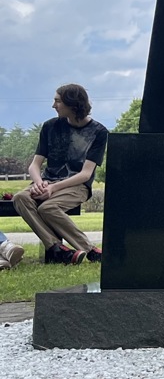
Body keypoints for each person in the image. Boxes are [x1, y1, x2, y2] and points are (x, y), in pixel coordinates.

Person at [13, 84, 106, 264]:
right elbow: (35, 165)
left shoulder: (99, 132)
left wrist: (53, 188)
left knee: (47, 208)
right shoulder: (50, 126)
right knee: (20, 198)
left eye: (57, 101)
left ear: (73, 104)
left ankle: (90, 249)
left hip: (76, 186)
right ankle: (57, 249)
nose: (53, 105)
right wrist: (39, 182)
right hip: (47, 182)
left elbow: (86, 174)